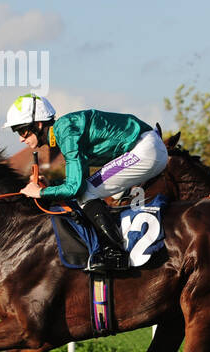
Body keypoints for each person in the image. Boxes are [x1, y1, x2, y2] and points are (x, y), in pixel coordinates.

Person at [10, 93, 169, 272]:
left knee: (86, 193)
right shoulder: (66, 131)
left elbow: (77, 188)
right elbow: (78, 181)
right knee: (89, 190)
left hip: (145, 149)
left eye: (22, 131)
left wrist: (39, 193)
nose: (21, 138)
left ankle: (115, 253)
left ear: (38, 124)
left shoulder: (66, 131)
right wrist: (50, 184)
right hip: (146, 147)